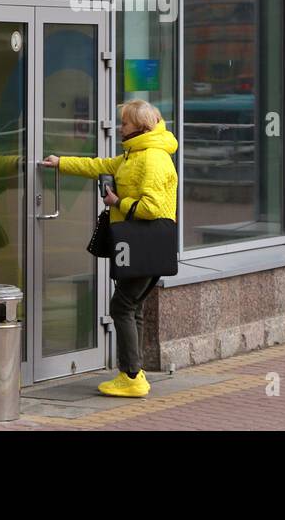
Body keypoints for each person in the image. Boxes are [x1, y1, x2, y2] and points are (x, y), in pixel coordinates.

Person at [41, 99, 177, 398]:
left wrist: (118, 203)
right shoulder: (134, 155)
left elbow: (152, 207)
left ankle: (131, 376)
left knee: (122, 306)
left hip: (146, 241)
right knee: (133, 306)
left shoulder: (151, 158)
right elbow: (99, 166)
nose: (120, 126)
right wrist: (61, 162)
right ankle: (134, 372)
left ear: (140, 127)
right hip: (144, 243)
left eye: (125, 122)